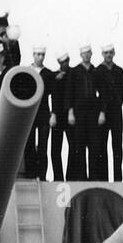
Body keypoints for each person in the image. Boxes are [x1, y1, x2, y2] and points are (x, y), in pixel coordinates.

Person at [67, 45, 105, 180]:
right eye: (84, 53)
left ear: (91, 54)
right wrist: (70, 112)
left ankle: (94, 176)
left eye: (88, 53)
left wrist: (102, 112)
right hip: (79, 112)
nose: (86, 55)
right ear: (80, 55)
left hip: (93, 112)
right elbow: (69, 93)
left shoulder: (96, 71)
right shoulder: (75, 71)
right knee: (79, 145)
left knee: (94, 145)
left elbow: (102, 93)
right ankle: (81, 177)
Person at [96, 44, 123, 181]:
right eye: (106, 53)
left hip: (116, 112)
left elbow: (121, 92)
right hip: (103, 112)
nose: (108, 55)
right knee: (102, 146)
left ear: (114, 53)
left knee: (117, 146)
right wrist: (101, 110)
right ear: (102, 54)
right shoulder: (98, 71)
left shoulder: (119, 71)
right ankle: (104, 178)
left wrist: (117, 106)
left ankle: (118, 177)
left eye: (110, 52)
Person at [24, 45, 52, 179]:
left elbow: (54, 94)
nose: (40, 57)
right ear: (33, 55)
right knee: (28, 143)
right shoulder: (27, 72)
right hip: (29, 113)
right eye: (38, 55)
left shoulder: (48, 73)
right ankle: (30, 173)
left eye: (42, 55)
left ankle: (42, 174)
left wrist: (53, 114)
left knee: (43, 145)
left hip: (43, 113)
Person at [49, 51, 72, 182]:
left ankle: (70, 176)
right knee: (55, 149)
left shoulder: (73, 74)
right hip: (58, 115)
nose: (65, 64)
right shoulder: (54, 76)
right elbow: (53, 97)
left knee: (73, 147)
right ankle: (58, 176)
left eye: (67, 61)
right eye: (63, 62)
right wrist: (53, 114)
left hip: (69, 114)